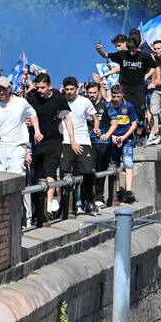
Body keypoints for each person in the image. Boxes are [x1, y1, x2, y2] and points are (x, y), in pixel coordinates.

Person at [25, 73, 68, 225]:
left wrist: (71, 139)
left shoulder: (58, 98)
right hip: (37, 143)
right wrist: (28, 124)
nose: (40, 91)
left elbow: (66, 118)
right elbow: (23, 118)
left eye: (43, 88)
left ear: (50, 86)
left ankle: (48, 208)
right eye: (38, 88)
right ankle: (39, 212)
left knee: (50, 172)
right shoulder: (32, 99)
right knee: (37, 178)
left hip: (54, 141)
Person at [0, 77, 40, 180]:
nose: (1, 92)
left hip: (17, 148)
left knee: (15, 180)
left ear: (9, 88)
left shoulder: (21, 102)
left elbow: (33, 114)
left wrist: (37, 131)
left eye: (4, 89)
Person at [95, 33, 152, 135]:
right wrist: (99, 49)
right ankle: (125, 135)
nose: (117, 48)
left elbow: (154, 67)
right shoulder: (121, 55)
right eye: (116, 46)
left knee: (140, 112)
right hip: (125, 88)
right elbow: (106, 55)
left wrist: (148, 77)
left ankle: (141, 134)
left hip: (138, 88)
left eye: (119, 45)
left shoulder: (141, 55)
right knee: (123, 110)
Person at [59, 76, 98, 217]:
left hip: (83, 140)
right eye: (67, 89)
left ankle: (89, 200)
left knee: (87, 171)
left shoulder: (85, 101)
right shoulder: (60, 101)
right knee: (64, 171)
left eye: (72, 89)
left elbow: (95, 117)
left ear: (77, 89)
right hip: (66, 141)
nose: (69, 92)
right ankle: (66, 207)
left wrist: (97, 128)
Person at [98, 84, 138, 204]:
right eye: (114, 96)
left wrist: (124, 137)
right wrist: (113, 137)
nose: (115, 99)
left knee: (127, 162)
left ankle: (128, 191)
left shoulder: (128, 106)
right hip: (113, 140)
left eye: (118, 96)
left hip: (127, 139)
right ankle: (117, 191)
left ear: (122, 96)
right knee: (114, 165)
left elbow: (134, 124)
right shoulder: (108, 107)